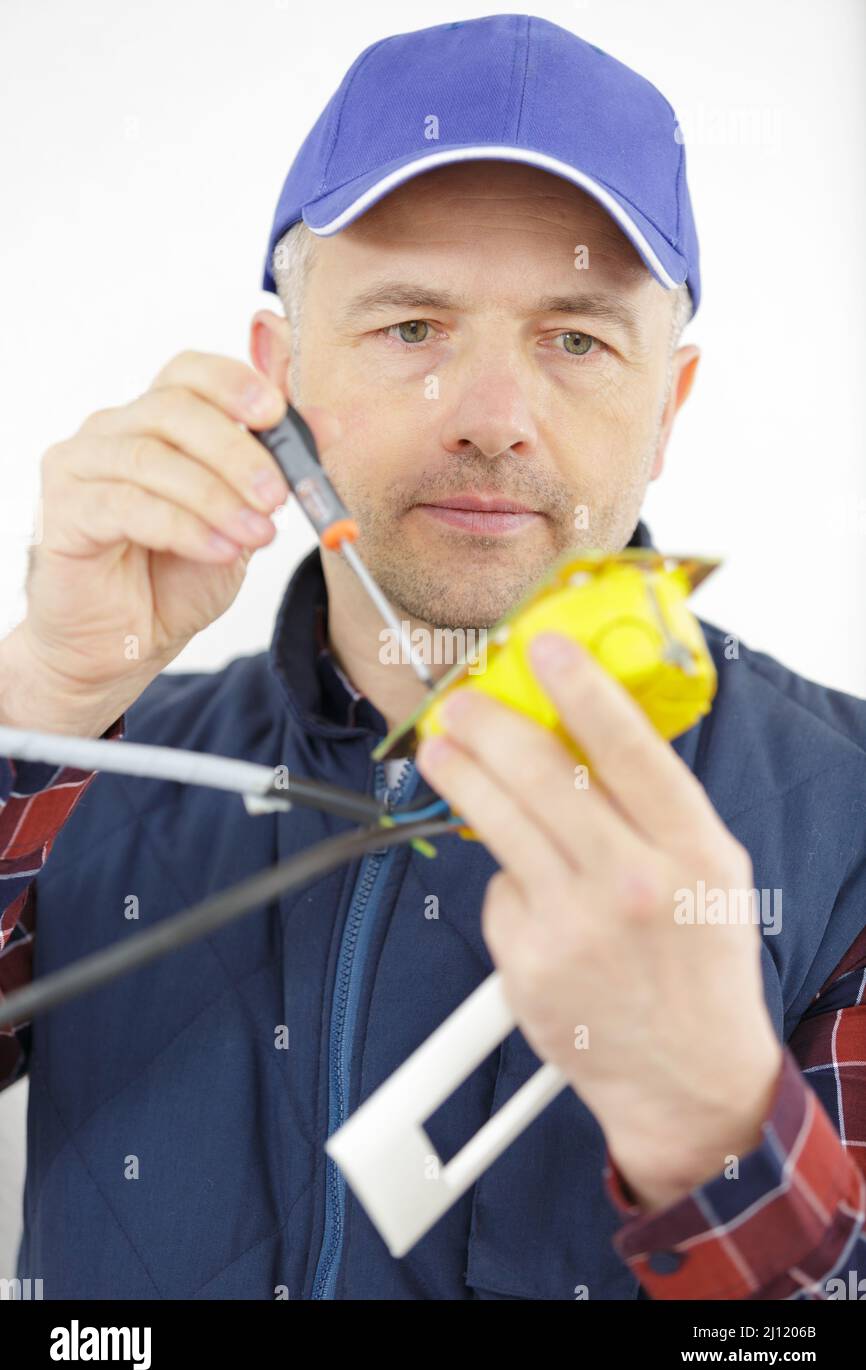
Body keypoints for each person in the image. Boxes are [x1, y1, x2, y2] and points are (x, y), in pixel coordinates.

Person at [1, 14, 864, 1301]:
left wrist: (717, 1140)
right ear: (278, 377)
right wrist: (48, 690)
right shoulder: (85, 753)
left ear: (666, 408)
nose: (493, 422)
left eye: (574, 339)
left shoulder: (847, 813)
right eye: (410, 328)